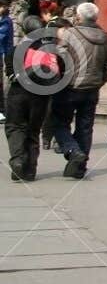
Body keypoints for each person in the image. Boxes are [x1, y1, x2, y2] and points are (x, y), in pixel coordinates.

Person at [52, 2, 107, 179]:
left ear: (79, 17)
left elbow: (59, 58)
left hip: (69, 87)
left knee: (58, 122)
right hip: (92, 89)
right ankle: (79, 167)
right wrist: (99, 81)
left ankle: (73, 151)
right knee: (85, 127)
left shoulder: (69, 34)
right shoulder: (106, 38)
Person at [6, 17, 63, 182]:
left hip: (17, 94)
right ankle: (30, 169)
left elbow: (10, 74)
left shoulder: (15, 50)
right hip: (40, 97)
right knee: (33, 131)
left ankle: (17, 159)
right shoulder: (51, 53)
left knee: (15, 128)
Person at [0, 0, 13, 118]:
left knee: (2, 83)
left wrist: (9, 59)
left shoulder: (7, 21)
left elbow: (8, 41)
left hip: (2, 55)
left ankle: (2, 109)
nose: (3, 9)